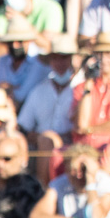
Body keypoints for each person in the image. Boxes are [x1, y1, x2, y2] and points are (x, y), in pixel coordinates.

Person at [19, 32, 80, 182]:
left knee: (48, 141)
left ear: (73, 59)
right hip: (41, 146)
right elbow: (24, 126)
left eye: (64, 57)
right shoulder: (39, 90)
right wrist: (39, 137)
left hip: (72, 146)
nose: (59, 63)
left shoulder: (82, 89)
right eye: (55, 58)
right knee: (45, 141)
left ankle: (45, 188)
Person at [30, 141, 110, 218]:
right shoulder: (60, 183)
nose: (78, 175)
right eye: (73, 170)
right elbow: (36, 217)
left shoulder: (108, 185)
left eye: (83, 169)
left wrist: (90, 180)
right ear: (66, 169)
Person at [0, 16, 46, 106]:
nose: (14, 46)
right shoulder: (2, 61)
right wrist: (7, 88)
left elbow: (22, 95)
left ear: (28, 41)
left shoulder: (38, 62)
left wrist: (3, 87)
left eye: (19, 41)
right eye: (11, 42)